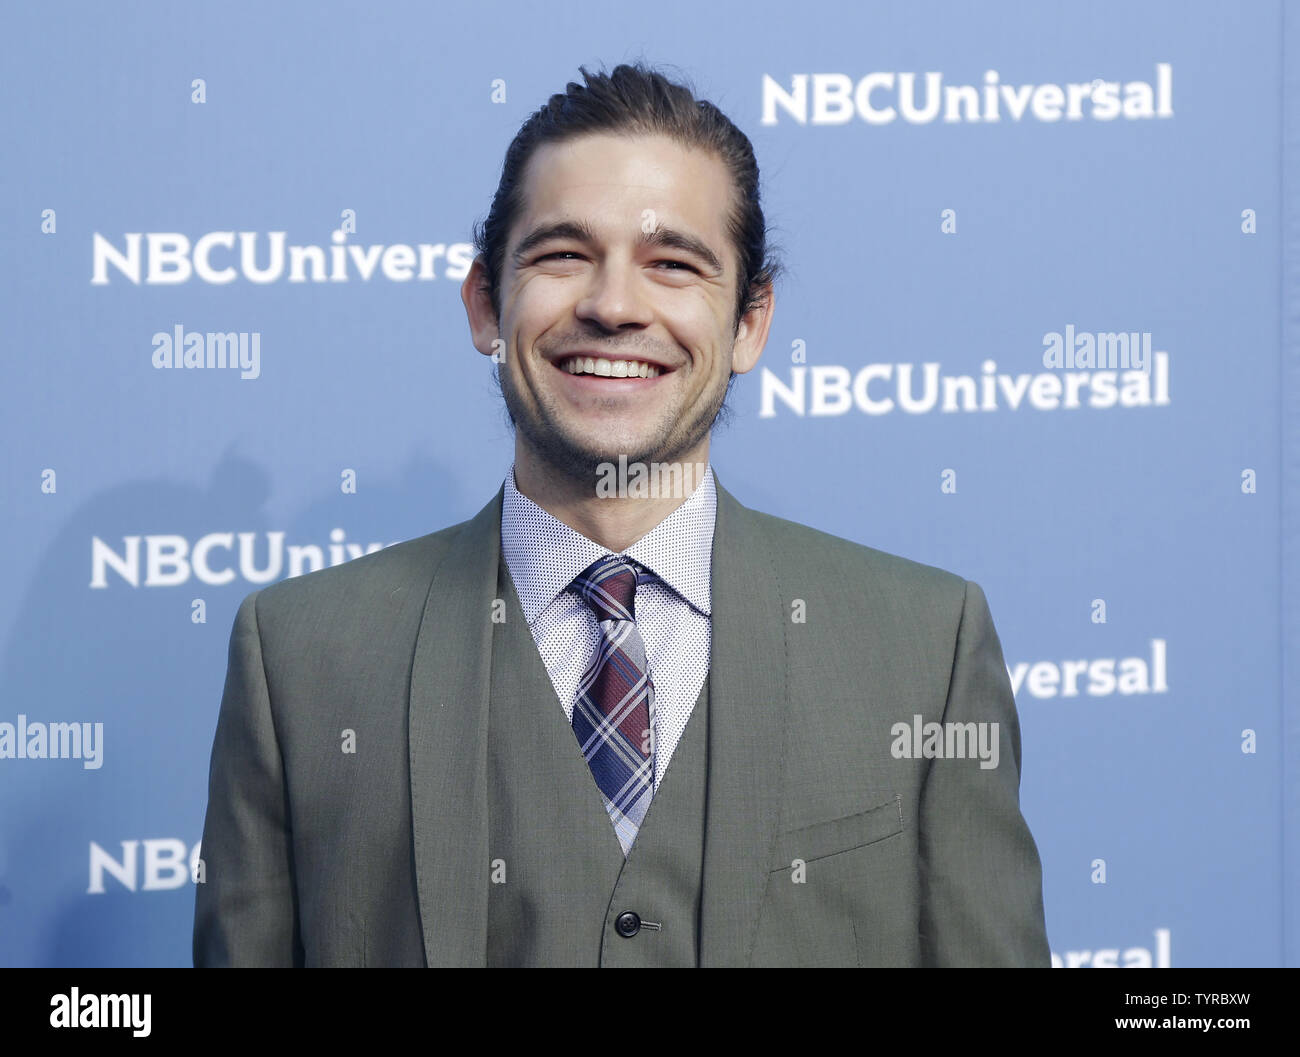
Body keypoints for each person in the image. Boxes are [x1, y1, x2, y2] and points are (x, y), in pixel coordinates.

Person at [193, 62, 1050, 967]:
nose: (611, 305)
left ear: (750, 322)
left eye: (673, 264)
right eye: (563, 254)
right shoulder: (296, 659)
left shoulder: (924, 647)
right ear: (485, 302)